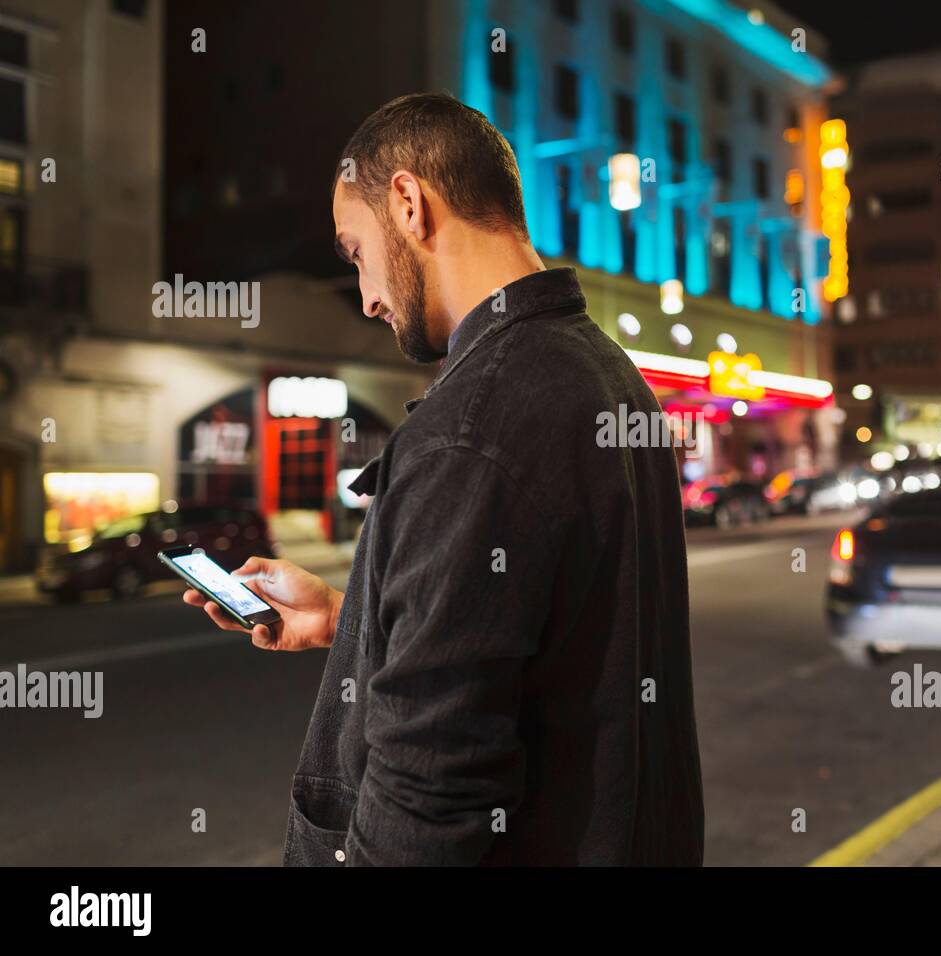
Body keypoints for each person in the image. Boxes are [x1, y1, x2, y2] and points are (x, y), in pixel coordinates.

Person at [182, 93, 705, 865]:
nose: (366, 297)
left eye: (356, 251)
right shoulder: (609, 377)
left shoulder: (468, 432)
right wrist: (347, 620)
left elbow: (430, 792)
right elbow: (534, 645)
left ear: (407, 203)